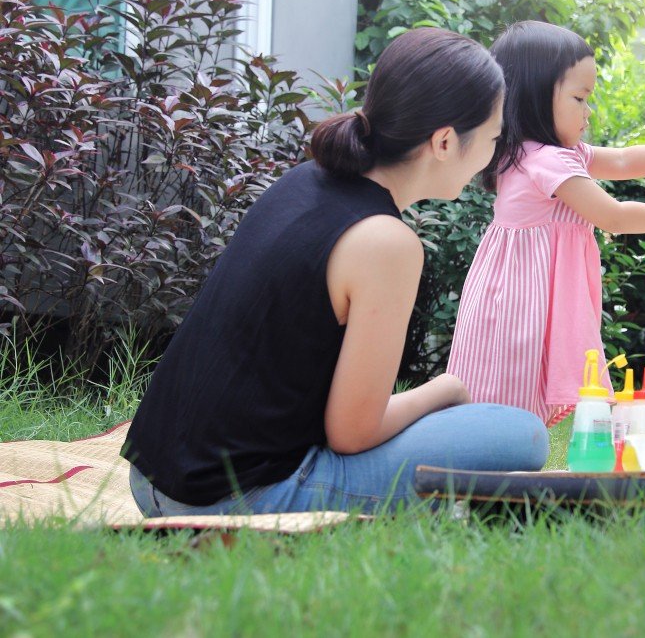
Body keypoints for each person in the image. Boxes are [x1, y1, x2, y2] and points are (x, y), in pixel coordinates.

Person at [121, 28, 549, 516]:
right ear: (446, 142)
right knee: (522, 435)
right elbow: (353, 433)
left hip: (153, 476)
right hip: (235, 497)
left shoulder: (306, 180)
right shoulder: (386, 242)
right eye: (493, 138)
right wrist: (444, 389)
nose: (493, 156)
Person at [447, 21, 645, 427]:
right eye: (579, 98)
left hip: (518, 295)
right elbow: (611, 214)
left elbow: (622, 160)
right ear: (533, 96)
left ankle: (498, 459)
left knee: (506, 403)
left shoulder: (538, 153)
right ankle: (500, 461)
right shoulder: (547, 160)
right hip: (523, 304)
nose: (588, 111)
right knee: (510, 405)